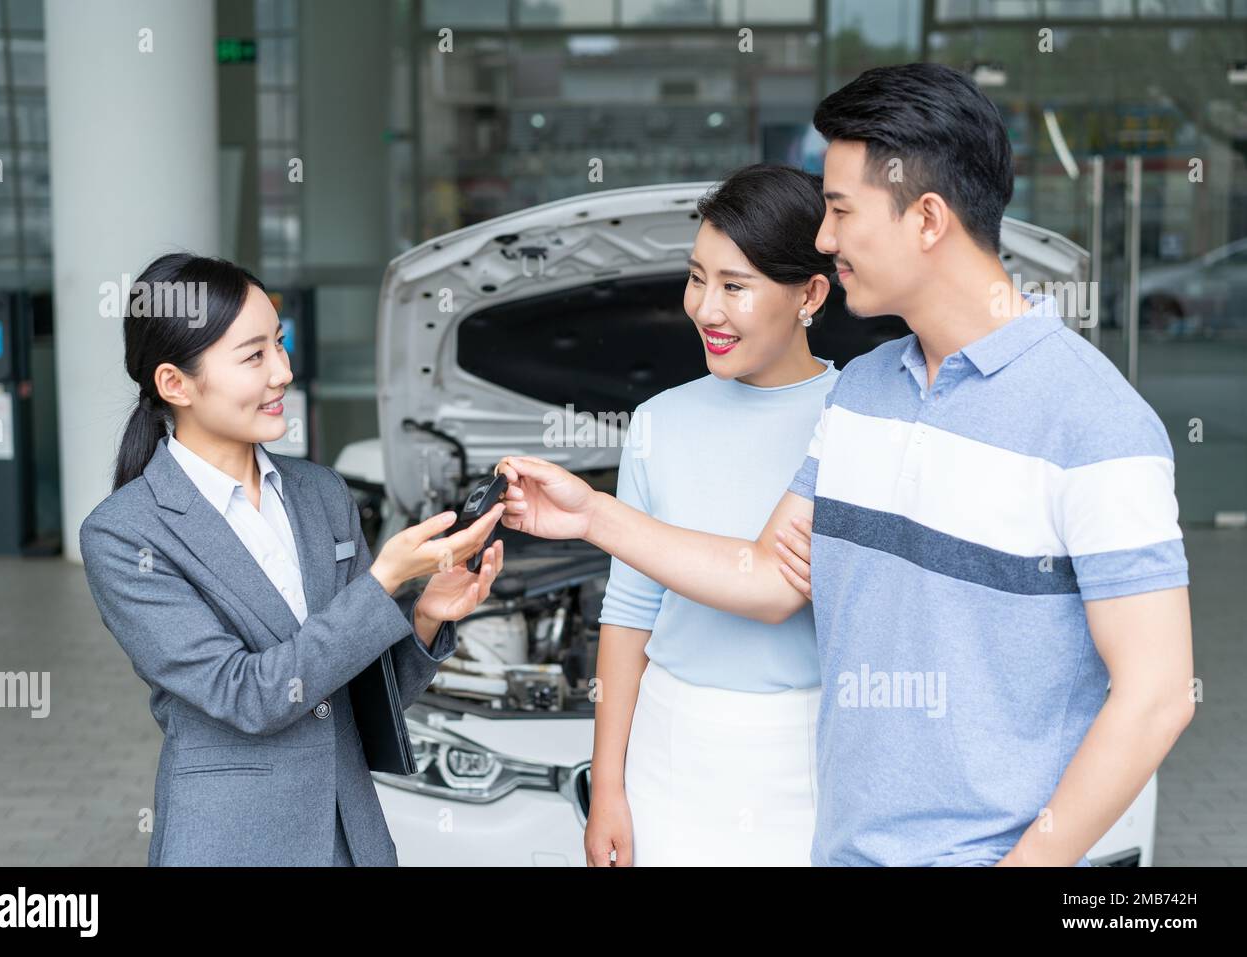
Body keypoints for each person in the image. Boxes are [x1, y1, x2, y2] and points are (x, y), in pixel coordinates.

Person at [498, 63, 1194, 867]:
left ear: (926, 218)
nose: (823, 240)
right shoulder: (864, 395)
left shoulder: (1095, 423)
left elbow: (1156, 696)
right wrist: (591, 514)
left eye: (838, 211)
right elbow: (765, 580)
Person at [80, 252, 504, 866]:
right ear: (176, 384)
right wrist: (383, 582)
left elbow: (357, 695)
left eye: (279, 344)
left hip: (352, 839)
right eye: (253, 356)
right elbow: (248, 696)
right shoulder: (125, 535)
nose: (283, 372)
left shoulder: (321, 492)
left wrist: (425, 617)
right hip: (233, 844)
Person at [586, 164, 839, 866]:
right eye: (698, 278)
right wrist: (608, 785)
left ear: (810, 294)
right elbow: (630, 609)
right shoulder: (657, 422)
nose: (706, 309)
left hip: (811, 749)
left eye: (736, 285)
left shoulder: (858, 417)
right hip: (672, 749)